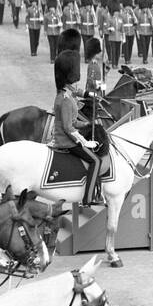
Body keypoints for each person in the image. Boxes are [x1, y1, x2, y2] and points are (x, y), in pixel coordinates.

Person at [52, 53, 102, 209]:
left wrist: (87, 124)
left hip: (67, 137)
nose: (75, 83)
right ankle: (87, 198)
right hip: (66, 141)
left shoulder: (66, 92)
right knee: (96, 161)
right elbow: (68, 127)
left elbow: (74, 120)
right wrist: (85, 141)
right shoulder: (65, 99)